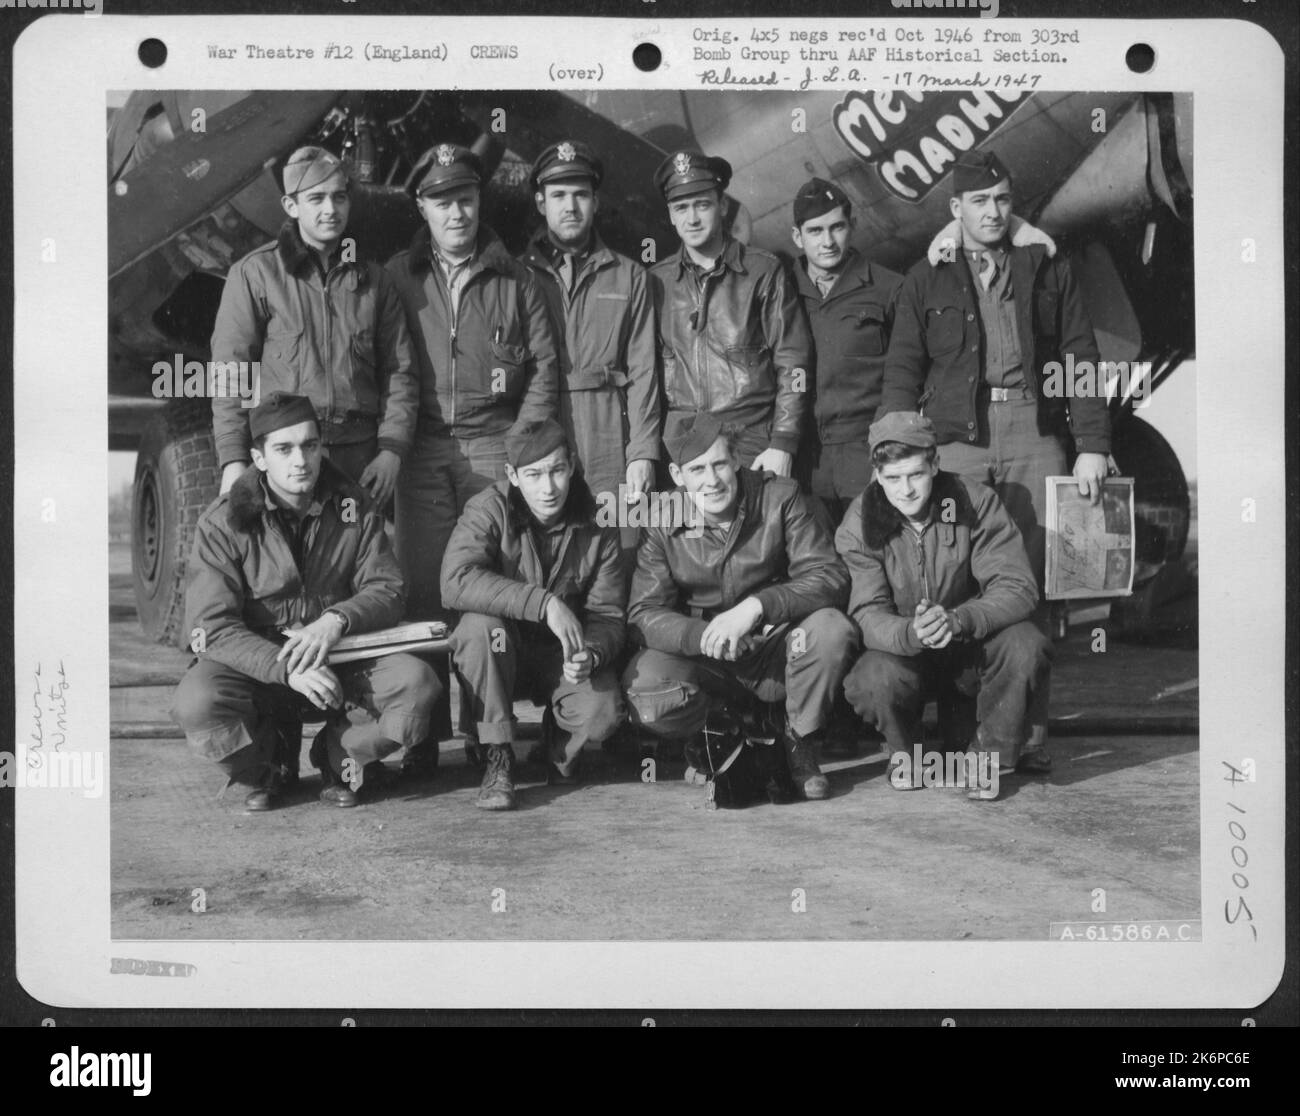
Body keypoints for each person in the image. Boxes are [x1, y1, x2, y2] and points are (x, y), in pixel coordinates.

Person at [171, 393, 441, 811]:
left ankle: (340, 760)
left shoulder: (353, 506)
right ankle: (269, 767)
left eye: (310, 445)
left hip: (338, 661)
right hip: (259, 670)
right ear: (259, 458)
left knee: (417, 683)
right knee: (197, 701)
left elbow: (387, 588)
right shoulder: (223, 522)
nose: (301, 460)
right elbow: (210, 628)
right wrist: (285, 670)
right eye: (284, 449)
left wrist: (336, 620)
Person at [386, 142, 560, 759]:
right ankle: (426, 738)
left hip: (493, 448)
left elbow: (543, 368)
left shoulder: (519, 279)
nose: (455, 213)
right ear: (421, 207)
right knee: (425, 592)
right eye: (440, 201)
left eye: (463, 198)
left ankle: (487, 734)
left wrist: (521, 446)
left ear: (478, 200)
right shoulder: (396, 278)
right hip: (425, 451)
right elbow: (388, 366)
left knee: (487, 585)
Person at [879, 147, 1112, 591]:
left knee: (1044, 558)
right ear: (956, 207)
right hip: (954, 436)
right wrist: (894, 447)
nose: (993, 212)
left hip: (1034, 430)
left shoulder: (1047, 266)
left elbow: (1079, 356)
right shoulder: (925, 278)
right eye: (980, 201)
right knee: (953, 561)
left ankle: (1031, 657)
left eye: (1002, 199)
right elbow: (902, 371)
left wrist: (1093, 445)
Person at [622, 413, 856, 802]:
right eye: (697, 470)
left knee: (832, 630)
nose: (711, 480)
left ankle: (800, 742)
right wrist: (705, 636)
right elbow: (644, 613)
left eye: (719, 464)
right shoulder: (662, 520)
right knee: (645, 686)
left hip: (774, 645)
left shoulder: (781, 496)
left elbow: (829, 576)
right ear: (679, 478)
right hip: (708, 657)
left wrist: (757, 606)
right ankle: (718, 730)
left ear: (736, 461)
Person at [835, 412, 1051, 800]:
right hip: (906, 657)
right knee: (870, 678)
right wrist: (910, 632)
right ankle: (906, 751)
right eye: (892, 479)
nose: (906, 491)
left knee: (1026, 642)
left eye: (916, 474)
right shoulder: (859, 521)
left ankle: (988, 756)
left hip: (968, 652)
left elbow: (1018, 587)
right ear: (877, 474)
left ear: (935, 463)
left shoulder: (975, 501)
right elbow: (866, 611)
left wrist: (958, 619)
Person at [210, 145, 418, 504]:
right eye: (316, 198)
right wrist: (233, 459)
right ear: (292, 206)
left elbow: (400, 371)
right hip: (286, 457)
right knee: (286, 559)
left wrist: (391, 450)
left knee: (358, 556)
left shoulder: (375, 281)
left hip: (359, 459)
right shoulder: (256, 275)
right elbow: (231, 372)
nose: (330, 210)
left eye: (339, 197)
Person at [441, 419, 626, 810]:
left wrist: (590, 653)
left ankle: (555, 744)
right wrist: (543, 603)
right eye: (534, 475)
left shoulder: (596, 523)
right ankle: (497, 754)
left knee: (603, 712)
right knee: (479, 629)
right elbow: (455, 580)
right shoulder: (488, 508)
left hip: (559, 657)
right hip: (498, 653)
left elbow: (608, 614)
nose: (548, 488)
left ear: (572, 465)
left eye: (558, 471)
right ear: (511, 475)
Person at [519, 140, 661, 555]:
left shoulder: (629, 275)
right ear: (541, 202)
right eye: (559, 196)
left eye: (580, 195)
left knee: (618, 546)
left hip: (609, 432)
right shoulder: (516, 276)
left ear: (596, 202)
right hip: (543, 425)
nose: (570, 207)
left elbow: (644, 369)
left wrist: (642, 453)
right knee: (545, 550)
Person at [649, 150, 812, 475]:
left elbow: (793, 362)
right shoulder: (656, 281)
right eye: (681, 208)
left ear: (722, 207)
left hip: (751, 440)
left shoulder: (763, 271)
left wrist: (783, 441)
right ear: (670, 215)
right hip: (687, 445)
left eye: (702, 205)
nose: (692, 218)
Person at [790, 177, 903, 524]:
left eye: (837, 227)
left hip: (866, 451)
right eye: (815, 231)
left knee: (874, 554)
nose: (827, 242)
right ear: (797, 237)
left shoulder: (889, 288)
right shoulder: (779, 291)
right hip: (804, 457)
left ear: (852, 226)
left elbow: (909, 373)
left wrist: (889, 451)